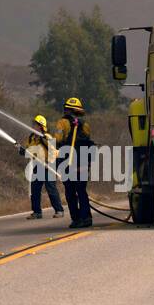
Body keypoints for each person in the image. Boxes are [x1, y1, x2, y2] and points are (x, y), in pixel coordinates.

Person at [53, 96, 94, 228]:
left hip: (68, 163)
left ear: (66, 110)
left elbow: (57, 139)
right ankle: (86, 218)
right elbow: (87, 141)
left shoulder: (62, 123)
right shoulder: (85, 125)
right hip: (82, 163)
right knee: (81, 190)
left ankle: (76, 219)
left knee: (70, 192)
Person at [19, 114, 64, 219]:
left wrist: (49, 164)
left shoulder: (46, 137)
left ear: (41, 126)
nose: (33, 126)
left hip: (49, 164)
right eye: (34, 124)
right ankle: (37, 212)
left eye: (35, 124)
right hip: (38, 165)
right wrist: (22, 151)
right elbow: (29, 151)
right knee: (35, 188)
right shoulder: (32, 138)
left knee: (50, 187)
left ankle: (59, 210)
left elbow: (53, 151)